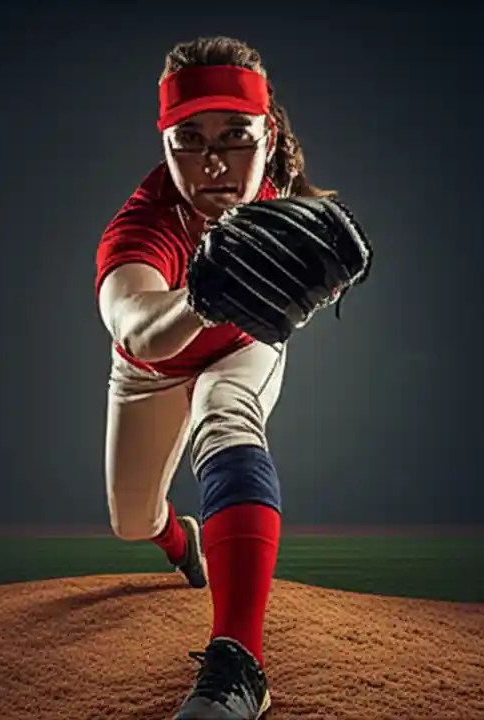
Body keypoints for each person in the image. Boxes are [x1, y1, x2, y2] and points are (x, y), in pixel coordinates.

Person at [95, 35, 332, 720]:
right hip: (150, 371)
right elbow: (136, 326)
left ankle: (239, 660)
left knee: (226, 410)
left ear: (268, 133)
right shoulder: (142, 226)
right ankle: (178, 538)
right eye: (189, 138)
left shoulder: (278, 198)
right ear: (164, 141)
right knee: (129, 518)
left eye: (235, 135)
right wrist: (207, 292)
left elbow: (296, 299)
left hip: (239, 349)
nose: (214, 161)